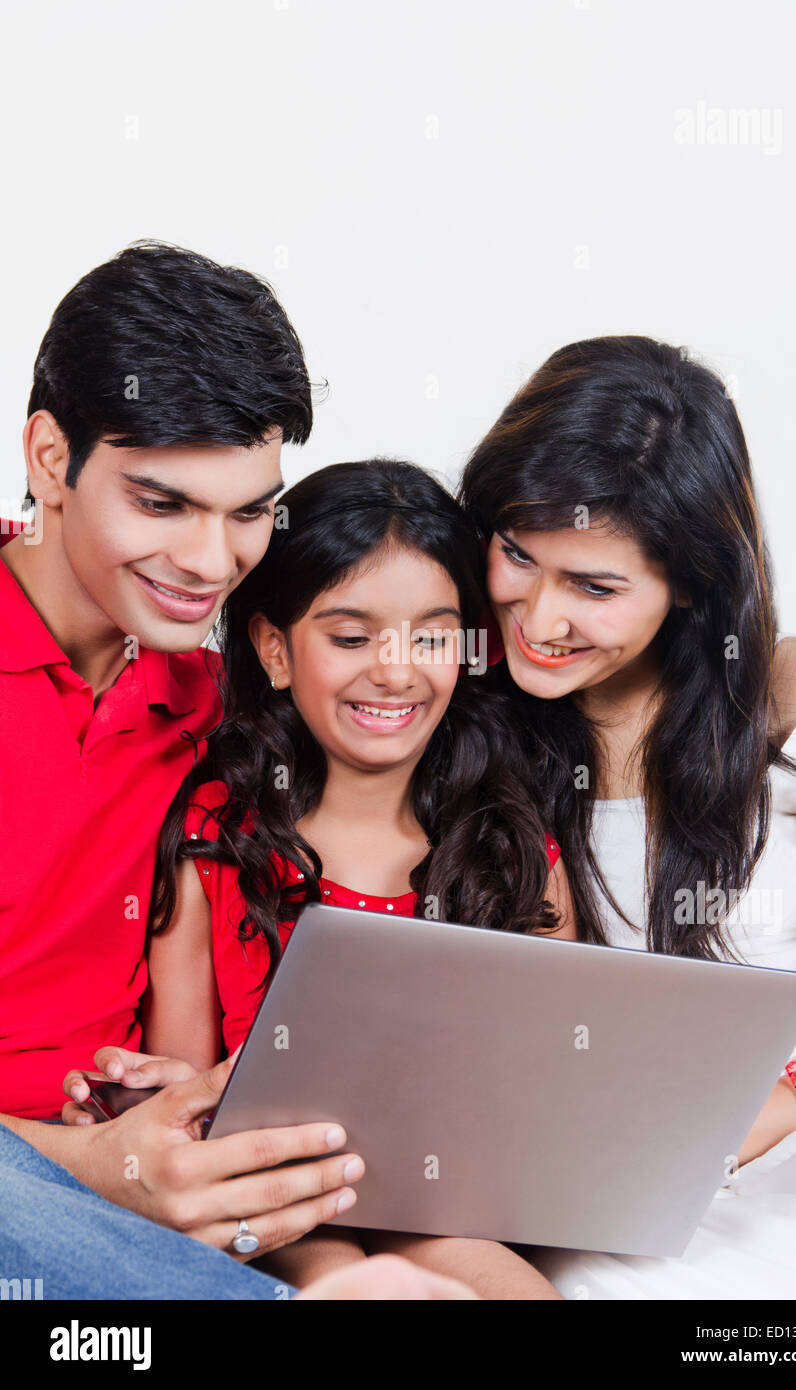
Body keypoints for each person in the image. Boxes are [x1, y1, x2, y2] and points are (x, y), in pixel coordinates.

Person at [0, 239, 473, 1300]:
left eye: (249, 510)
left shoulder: (225, 705)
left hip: (137, 1158)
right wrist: (91, 1165)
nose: (212, 563)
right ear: (48, 458)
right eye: (162, 504)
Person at [65, 457, 575, 1299]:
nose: (397, 670)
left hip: (456, 1199)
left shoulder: (512, 844)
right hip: (284, 1200)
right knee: (344, 1273)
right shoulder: (216, 843)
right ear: (272, 649)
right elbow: (186, 1095)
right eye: (349, 637)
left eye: (434, 637)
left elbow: (563, 1068)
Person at [457, 334, 796, 1297]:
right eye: (518, 555)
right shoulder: (466, 716)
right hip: (609, 1192)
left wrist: (782, 1107)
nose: (539, 619)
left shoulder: (792, 697)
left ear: (689, 586)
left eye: (594, 589)